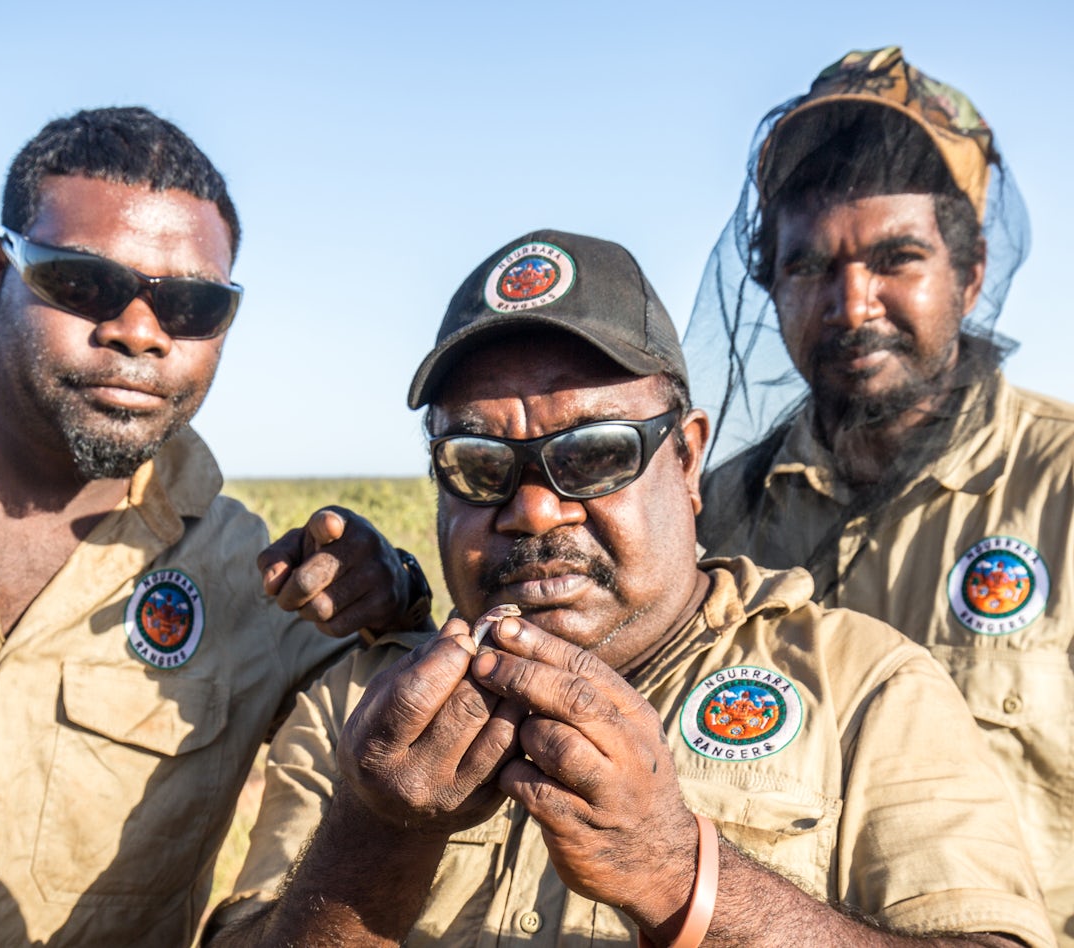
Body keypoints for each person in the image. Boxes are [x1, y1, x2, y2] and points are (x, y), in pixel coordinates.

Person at [209, 230, 1053, 947]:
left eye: (594, 454)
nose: (534, 510)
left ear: (686, 460)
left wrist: (686, 877)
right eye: (478, 466)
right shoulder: (360, 705)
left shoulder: (865, 686)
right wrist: (378, 830)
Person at [0, 106, 429, 947]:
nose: (139, 333)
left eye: (189, 305)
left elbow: (400, 691)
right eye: (82, 284)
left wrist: (395, 590)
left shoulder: (259, 584)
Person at [687, 48, 1074, 937]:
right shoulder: (718, 513)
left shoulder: (1060, 486)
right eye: (808, 267)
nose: (850, 302)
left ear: (970, 274)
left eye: (896, 258)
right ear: (772, 289)